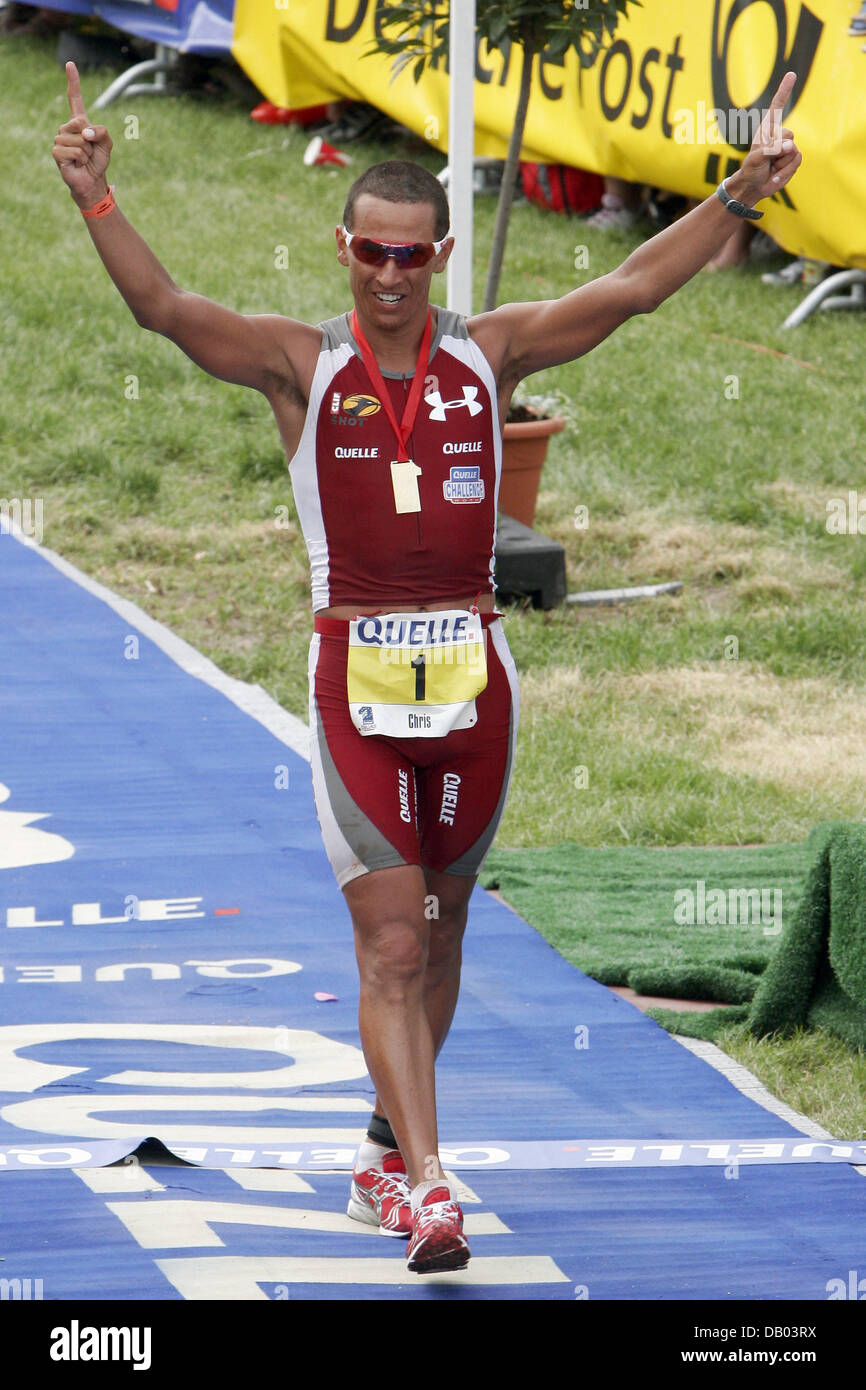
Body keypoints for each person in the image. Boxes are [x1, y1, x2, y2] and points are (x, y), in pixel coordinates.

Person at [53, 61, 802, 1275]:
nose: (389, 278)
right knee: (392, 944)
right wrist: (95, 196)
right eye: (370, 256)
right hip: (353, 677)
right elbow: (165, 310)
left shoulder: (487, 357)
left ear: (441, 256)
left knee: (442, 933)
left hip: (473, 685)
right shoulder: (300, 365)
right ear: (341, 248)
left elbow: (628, 291)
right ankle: (431, 1187)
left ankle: (381, 1144)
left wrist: (741, 198)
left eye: (411, 258)